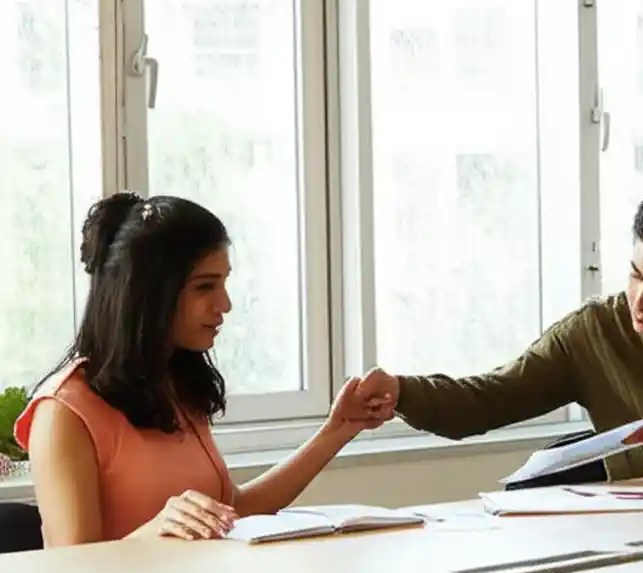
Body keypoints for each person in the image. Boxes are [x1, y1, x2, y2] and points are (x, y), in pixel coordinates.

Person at [347, 182, 643, 482]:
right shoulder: (592, 331)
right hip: (636, 527)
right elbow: (489, 399)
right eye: (635, 276)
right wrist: (402, 391)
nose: (640, 300)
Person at [16, 193, 376, 546]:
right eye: (205, 286)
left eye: (224, 283)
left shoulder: (175, 385)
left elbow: (233, 510)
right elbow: (70, 568)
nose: (225, 304)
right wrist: (153, 533)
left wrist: (337, 430)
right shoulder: (63, 412)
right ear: (148, 292)